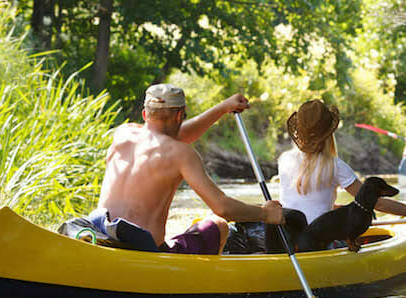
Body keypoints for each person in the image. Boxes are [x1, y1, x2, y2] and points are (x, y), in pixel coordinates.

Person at [89, 83, 284, 254]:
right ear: (180, 115)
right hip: (146, 252)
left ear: (144, 114)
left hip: (102, 237)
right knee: (218, 225)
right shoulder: (181, 154)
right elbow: (223, 208)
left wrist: (223, 108)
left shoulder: (123, 134)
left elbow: (169, 135)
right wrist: (265, 213)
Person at [278, 100, 406, 229]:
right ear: (329, 135)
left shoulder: (284, 159)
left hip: (287, 237)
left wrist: (341, 210)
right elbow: (377, 204)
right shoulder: (335, 166)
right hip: (317, 240)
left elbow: (304, 203)